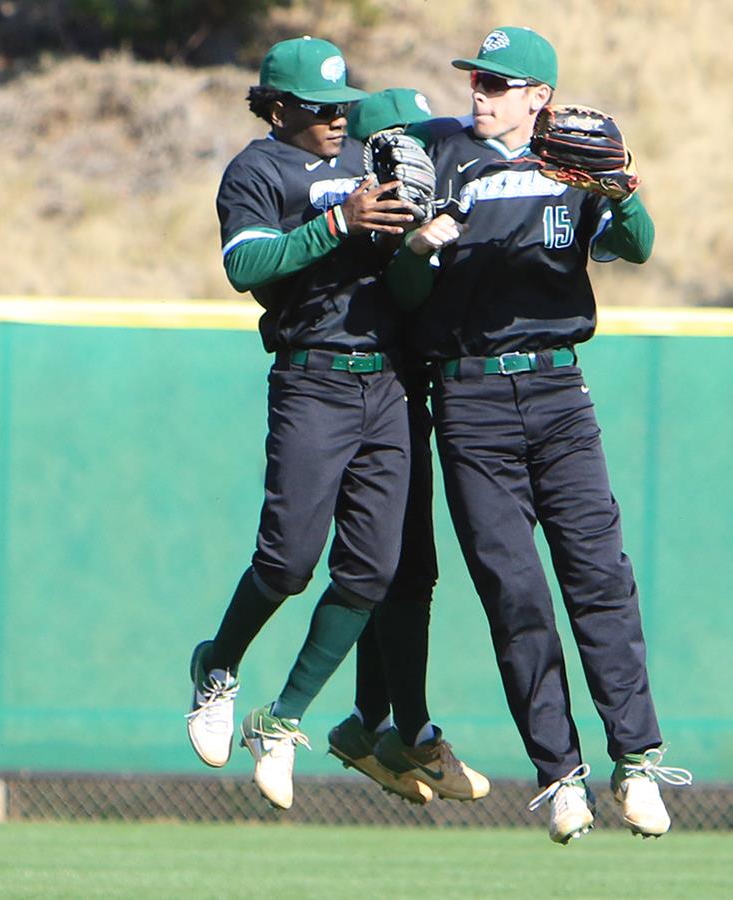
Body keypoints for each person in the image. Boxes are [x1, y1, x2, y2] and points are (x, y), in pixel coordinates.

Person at [387, 27, 691, 843]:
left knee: (600, 579)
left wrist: (623, 192)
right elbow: (406, 291)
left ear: (538, 96)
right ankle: (561, 776)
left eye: (497, 84)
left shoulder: (571, 159)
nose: (479, 94)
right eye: (476, 80)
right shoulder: (442, 153)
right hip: (469, 399)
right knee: (514, 594)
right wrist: (414, 247)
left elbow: (637, 247)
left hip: (558, 394)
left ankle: (637, 760)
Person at [184, 36, 420, 811]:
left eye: (342, 107)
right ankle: (218, 666)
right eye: (319, 110)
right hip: (313, 376)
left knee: (371, 572)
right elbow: (245, 265)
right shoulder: (256, 171)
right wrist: (338, 224)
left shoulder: (363, 156)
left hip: (386, 381)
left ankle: (282, 720)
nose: (336, 120)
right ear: (279, 108)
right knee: (287, 564)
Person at [323, 89, 490, 806]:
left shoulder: (415, 216)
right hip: (361, 405)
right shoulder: (355, 225)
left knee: (392, 569)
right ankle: (409, 732)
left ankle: (371, 724)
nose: (422, 159)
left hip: (400, 399)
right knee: (397, 569)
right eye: (406, 145)